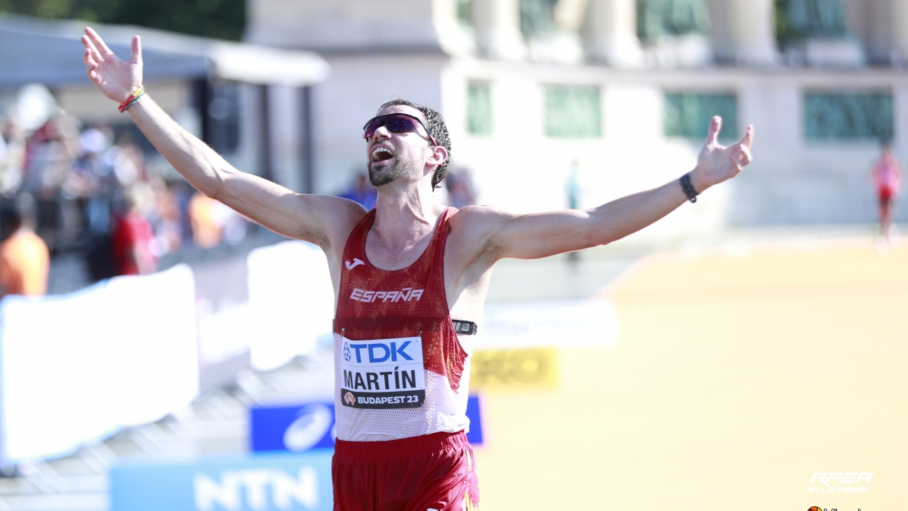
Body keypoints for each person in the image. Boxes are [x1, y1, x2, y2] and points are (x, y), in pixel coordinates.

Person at [81, 27, 754, 511]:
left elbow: (595, 226)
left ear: (433, 153)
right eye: (371, 126)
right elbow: (221, 179)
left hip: (434, 466)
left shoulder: (470, 237)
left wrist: (691, 181)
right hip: (355, 469)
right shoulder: (336, 226)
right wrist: (135, 100)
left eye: (394, 125)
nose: (376, 133)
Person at [0, 205, 50, 298]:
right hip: (38, 303)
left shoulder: (8, 248)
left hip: (14, 306)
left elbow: (3, 287)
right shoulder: (39, 243)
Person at [870, 143, 902, 246]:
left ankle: (889, 233)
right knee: (882, 214)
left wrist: (897, 188)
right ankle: (883, 234)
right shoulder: (879, 165)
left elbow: (899, 175)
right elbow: (873, 175)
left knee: (889, 213)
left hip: (890, 192)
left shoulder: (893, 164)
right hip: (881, 191)